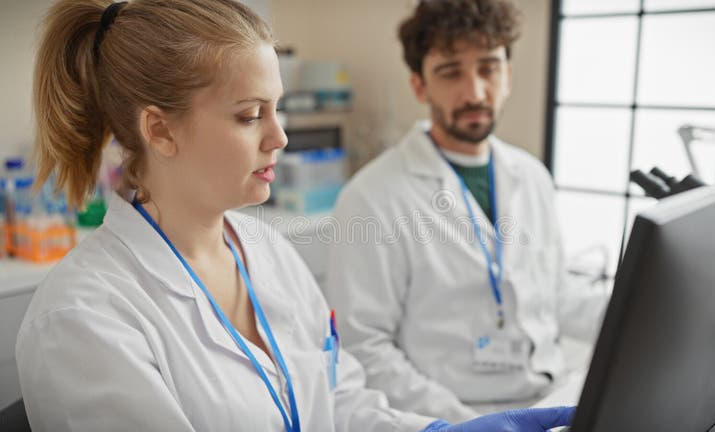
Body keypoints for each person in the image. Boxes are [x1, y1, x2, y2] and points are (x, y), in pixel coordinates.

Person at [14, 1, 575, 431]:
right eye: (249, 115)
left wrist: (436, 429)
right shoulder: (81, 319)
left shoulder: (266, 251)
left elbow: (338, 397)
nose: (279, 137)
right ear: (159, 129)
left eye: (275, 109)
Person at [326, 0, 606, 423]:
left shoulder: (531, 176)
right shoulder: (371, 197)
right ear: (420, 85)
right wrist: (462, 423)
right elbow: (363, 347)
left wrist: (641, 314)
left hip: (546, 399)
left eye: (488, 68)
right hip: (449, 415)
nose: (475, 92)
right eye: (451, 71)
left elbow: (554, 292)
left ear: (508, 74)